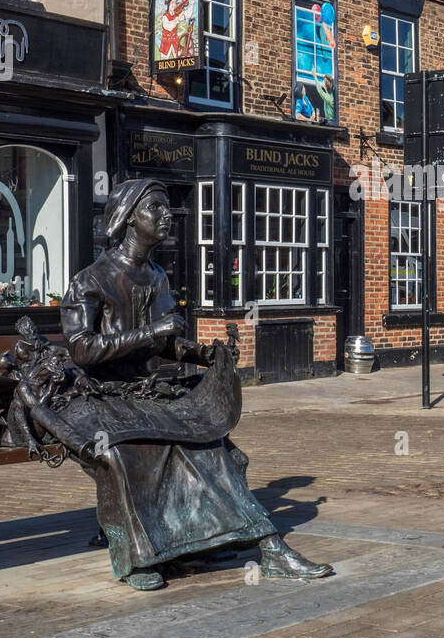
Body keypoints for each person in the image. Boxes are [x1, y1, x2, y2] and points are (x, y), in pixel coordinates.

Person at [60, 179, 332, 590]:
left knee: (212, 443)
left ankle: (257, 544)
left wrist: (204, 354)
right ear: (130, 217)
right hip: (101, 394)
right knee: (130, 453)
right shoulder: (90, 281)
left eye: (167, 208)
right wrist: (151, 334)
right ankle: (138, 555)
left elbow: (166, 343)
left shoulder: (156, 276)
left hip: (147, 393)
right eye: (157, 208)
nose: (167, 216)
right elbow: (81, 350)